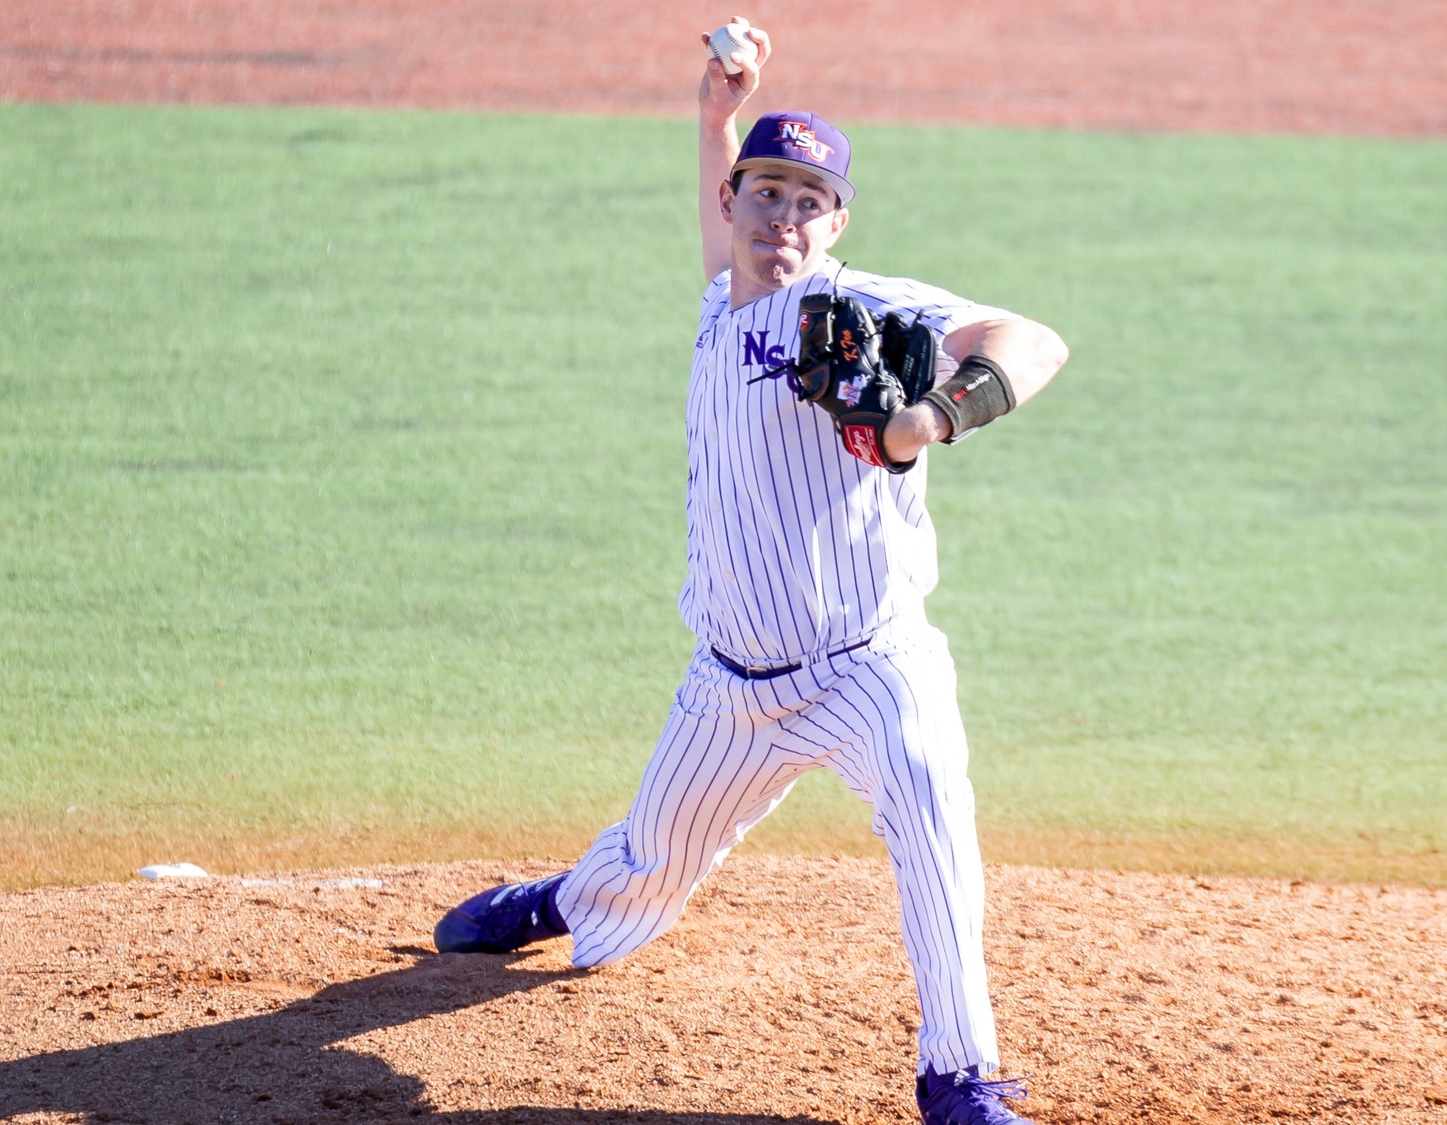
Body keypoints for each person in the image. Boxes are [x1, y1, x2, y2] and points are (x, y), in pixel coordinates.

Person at [431, 18, 1068, 1125]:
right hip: (730, 686)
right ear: (732, 203)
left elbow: (1035, 340)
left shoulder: (864, 307)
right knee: (651, 861)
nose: (784, 216)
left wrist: (926, 418)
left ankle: (960, 1076)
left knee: (933, 826)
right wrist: (713, 113)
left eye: (809, 199)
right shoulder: (718, 298)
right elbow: (724, 227)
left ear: (837, 221)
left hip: (871, 665)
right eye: (765, 191)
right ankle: (569, 898)